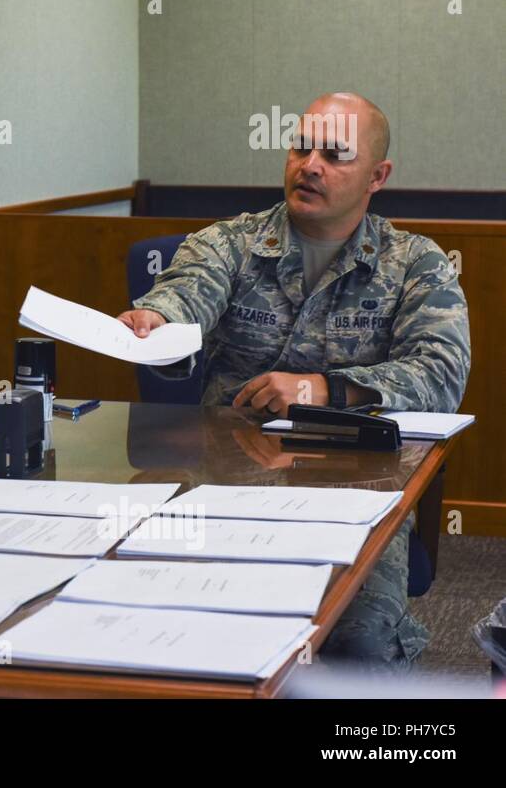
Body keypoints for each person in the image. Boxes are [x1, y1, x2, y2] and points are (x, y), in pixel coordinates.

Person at [119, 91, 470, 668]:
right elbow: (187, 292)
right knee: (160, 622)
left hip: (357, 494)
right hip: (225, 485)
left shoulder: (416, 263)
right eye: (302, 147)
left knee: (357, 644)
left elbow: (440, 372)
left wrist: (323, 389)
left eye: (335, 155)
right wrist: (156, 318)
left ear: (377, 175)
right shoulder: (228, 244)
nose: (310, 164)